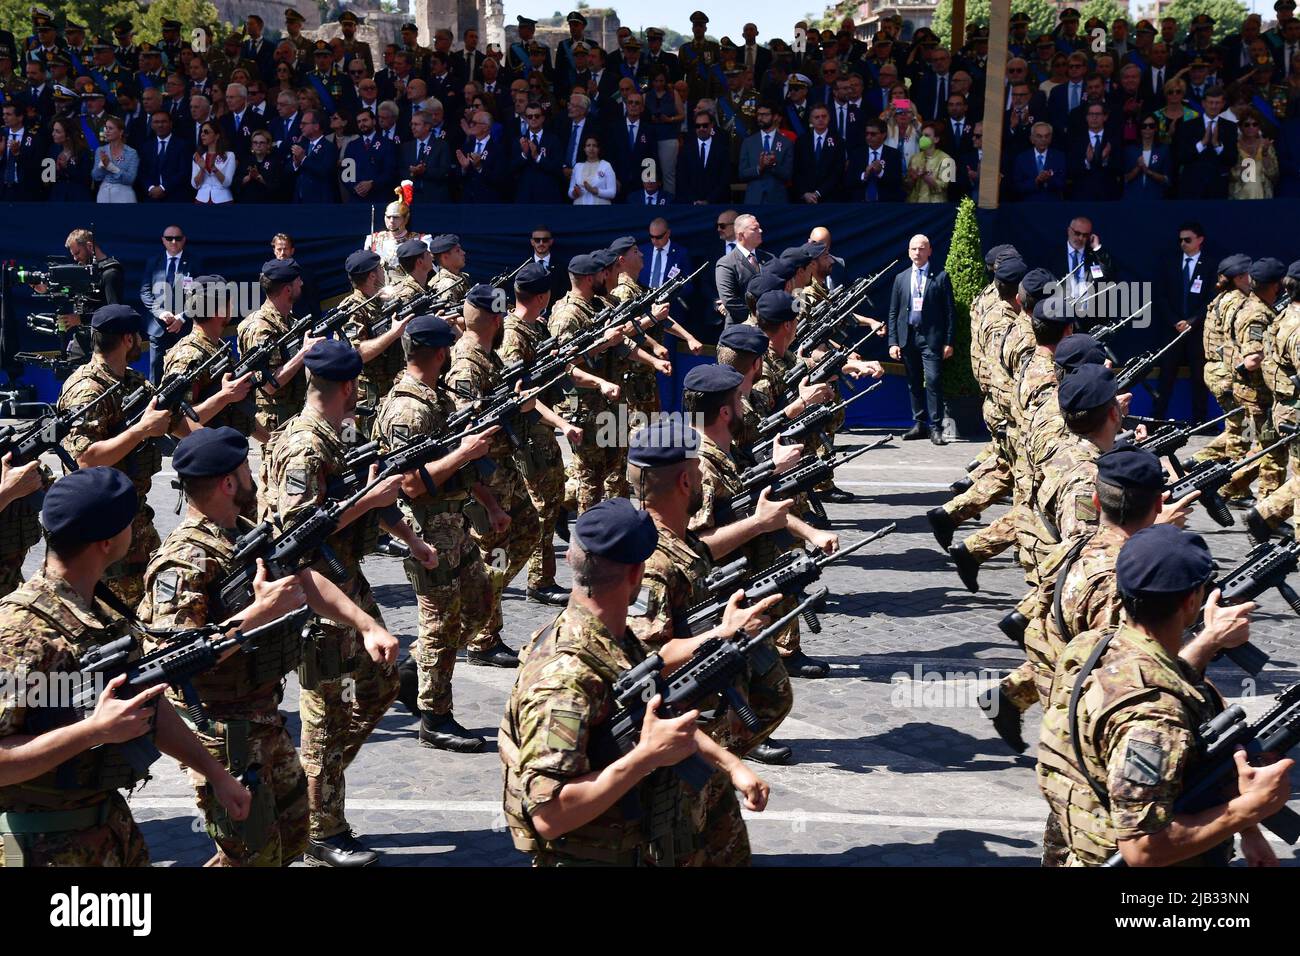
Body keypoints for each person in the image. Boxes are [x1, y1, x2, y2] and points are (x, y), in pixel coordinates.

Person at [0, 467, 254, 867]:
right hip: (41, 847)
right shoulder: (22, 632)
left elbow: (149, 706)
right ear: (107, 542)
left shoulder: (101, 613)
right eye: (129, 522)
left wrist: (215, 774)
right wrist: (93, 731)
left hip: (110, 832)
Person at [500, 497, 769, 866]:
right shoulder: (564, 680)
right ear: (636, 574)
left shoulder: (612, 639)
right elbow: (549, 816)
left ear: (570, 560)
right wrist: (644, 758)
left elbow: (659, 708)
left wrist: (731, 766)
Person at [1038, 524, 1290, 866]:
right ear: (1192, 601)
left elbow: (1153, 675)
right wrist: (1247, 810)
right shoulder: (1154, 720)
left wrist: (1210, 639)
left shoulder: (1091, 647)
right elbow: (1142, 849)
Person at [258, 340, 419, 866]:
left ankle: (314, 786)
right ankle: (321, 830)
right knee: (324, 716)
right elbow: (299, 535)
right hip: (316, 598)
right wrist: (367, 502)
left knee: (382, 683)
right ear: (347, 387)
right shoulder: (306, 446)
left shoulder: (328, 436)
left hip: (345, 585)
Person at [625, 418, 786, 863]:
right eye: (698, 472)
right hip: (678, 732)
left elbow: (698, 553)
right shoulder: (651, 559)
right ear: (683, 480)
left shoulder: (672, 538)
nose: (702, 480)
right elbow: (651, 654)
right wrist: (723, 633)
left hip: (702, 727)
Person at [374, 315, 500, 749]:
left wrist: (490, 504)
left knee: (480, 604)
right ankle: (435, 717)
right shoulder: (409, 408)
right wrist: (465, 452)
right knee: (440, 625)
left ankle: (416, 672)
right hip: (426, 532)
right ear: (441, 353)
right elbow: (410, 483)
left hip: (455, 524)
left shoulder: (435, 396)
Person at [57, 306, 186, 607]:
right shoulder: (86, 390)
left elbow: (175, 422)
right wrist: (141, 430)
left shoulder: (132, 382)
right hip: (100, 531)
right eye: (139, 335)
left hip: (135, 521)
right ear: (128, 340)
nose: (142, 340)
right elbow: (85, 458)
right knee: (114, 624)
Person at [445, 285, 543, 668]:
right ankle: (483, 635)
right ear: (497, 318)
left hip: (505, 474)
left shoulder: (489, 357)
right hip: (487, 481)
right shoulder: (468, 363)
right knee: (494, 551)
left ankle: (486, 601)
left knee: (528, 531)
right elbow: (467, 429)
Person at [237, 259, 320, 437]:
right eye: (298, 281)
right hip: (275, 423)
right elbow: (269, 385)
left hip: (294, 413)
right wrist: (303, 353)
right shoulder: (261, 328)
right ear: (287, 289)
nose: (302, 284)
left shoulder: (289, 321)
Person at [888, 234, 956, 444]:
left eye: (921, 249)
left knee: (934, 381)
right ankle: (919, 423)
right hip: (908, 336)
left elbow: (950, 312)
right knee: (913, 382)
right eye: (913, 249)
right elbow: (893, 312)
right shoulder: (901, 278)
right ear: (908, 252)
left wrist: (949, 341)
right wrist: (893, 341)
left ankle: (935, 427)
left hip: (931, 339)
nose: (917, 253)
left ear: (929, 251)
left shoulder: (941, 277)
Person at [1154, 222, 1213, 421]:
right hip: (1173, 330)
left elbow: (1211, 298)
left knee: (1199, 378)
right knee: (1166, 376)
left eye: (1187, 240)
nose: (1183, 244)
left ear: (1200, 240)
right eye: (1180, 240)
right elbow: (1160, 296)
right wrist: (1175, 321)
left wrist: (1193, 321)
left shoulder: (1210, 264)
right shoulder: (1169, 262)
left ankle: (1200, 421)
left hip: (1197, 331)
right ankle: (1157, 421)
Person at [715, 213, 773, 328]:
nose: (760, 231)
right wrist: (758, 319)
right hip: (741, 331)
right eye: (755, 229)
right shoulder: (726, 263)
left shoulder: (770, 258)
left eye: (759, 227)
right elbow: (730, 301)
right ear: (741, 235)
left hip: (770, 329)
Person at [1230, 107, 1279, 199]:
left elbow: (1273, 174)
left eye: (1255, 124)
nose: (1251, 127)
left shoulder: (1266, 145)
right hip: (1240, 191)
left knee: (1255, 183)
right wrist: (1245, 165)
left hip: (1262, 191)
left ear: (1259, 127)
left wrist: (1265, 154)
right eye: (1247, 124)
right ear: (1240, 127)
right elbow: (1232, 175)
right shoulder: (1234, 145)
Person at [1122, 114, 1171, 199]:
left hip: (1155, 198)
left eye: (1151, 126)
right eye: (1144, 126)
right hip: (1133, 197)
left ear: (1156, 128)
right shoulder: (1129, 150)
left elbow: (1167, 180)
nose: (1147, 128)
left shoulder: (1164, 150)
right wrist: (1137, 169)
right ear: (1139, 129)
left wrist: (1149, 172)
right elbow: (1124, 179)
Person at [90, 115, 138, 203]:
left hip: (124, 194)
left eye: (110, 128)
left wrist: (111, 167)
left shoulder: (131, 152)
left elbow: (130, 179)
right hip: (103, 194)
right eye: (106, 128)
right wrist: (102, 165)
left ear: (121, 132)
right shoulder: (101, 150)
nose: (107, 131)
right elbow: (95, 176)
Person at [45, 116, 92, 201]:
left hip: (78, 197)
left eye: (57, 132)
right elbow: (47, 179)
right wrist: (53, 169)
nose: (53, 134)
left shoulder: (83, 152)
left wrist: (67, 167)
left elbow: (86, 178)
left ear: (68, 136)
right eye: (53, 130)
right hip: (57, 197)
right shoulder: (53, 149)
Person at [904, 121, 951, 202]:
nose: (922, 138)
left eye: (927, 136)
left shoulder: (947, 159)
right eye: (922, 135)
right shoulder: (914, 158)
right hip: (914, 205)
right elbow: (907, 188)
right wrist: (912, 179)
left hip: (936, 208)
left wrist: (925, 177)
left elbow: (944, 187)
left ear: (936, 139)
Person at [191, 120, 236, 203]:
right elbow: (195, 185)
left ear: (217, 136)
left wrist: (214, 168)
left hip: (223, 200)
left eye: (206, 132)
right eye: (201, 132)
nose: (202, 134)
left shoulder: (230, 155)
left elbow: (227, 183)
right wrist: (202, 169)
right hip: (201, 200)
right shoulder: (197, 156)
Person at [568, 133, 616, 204]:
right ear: (584, 149)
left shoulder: (606, 165)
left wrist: (595, 191)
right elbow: (570, 191)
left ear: (599, 149)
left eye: (594, 145)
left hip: (600, 211)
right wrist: (574, 193)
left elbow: (612, 193)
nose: (591, 148)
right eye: (588, 145)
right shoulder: (577, 166)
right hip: (579, 210)